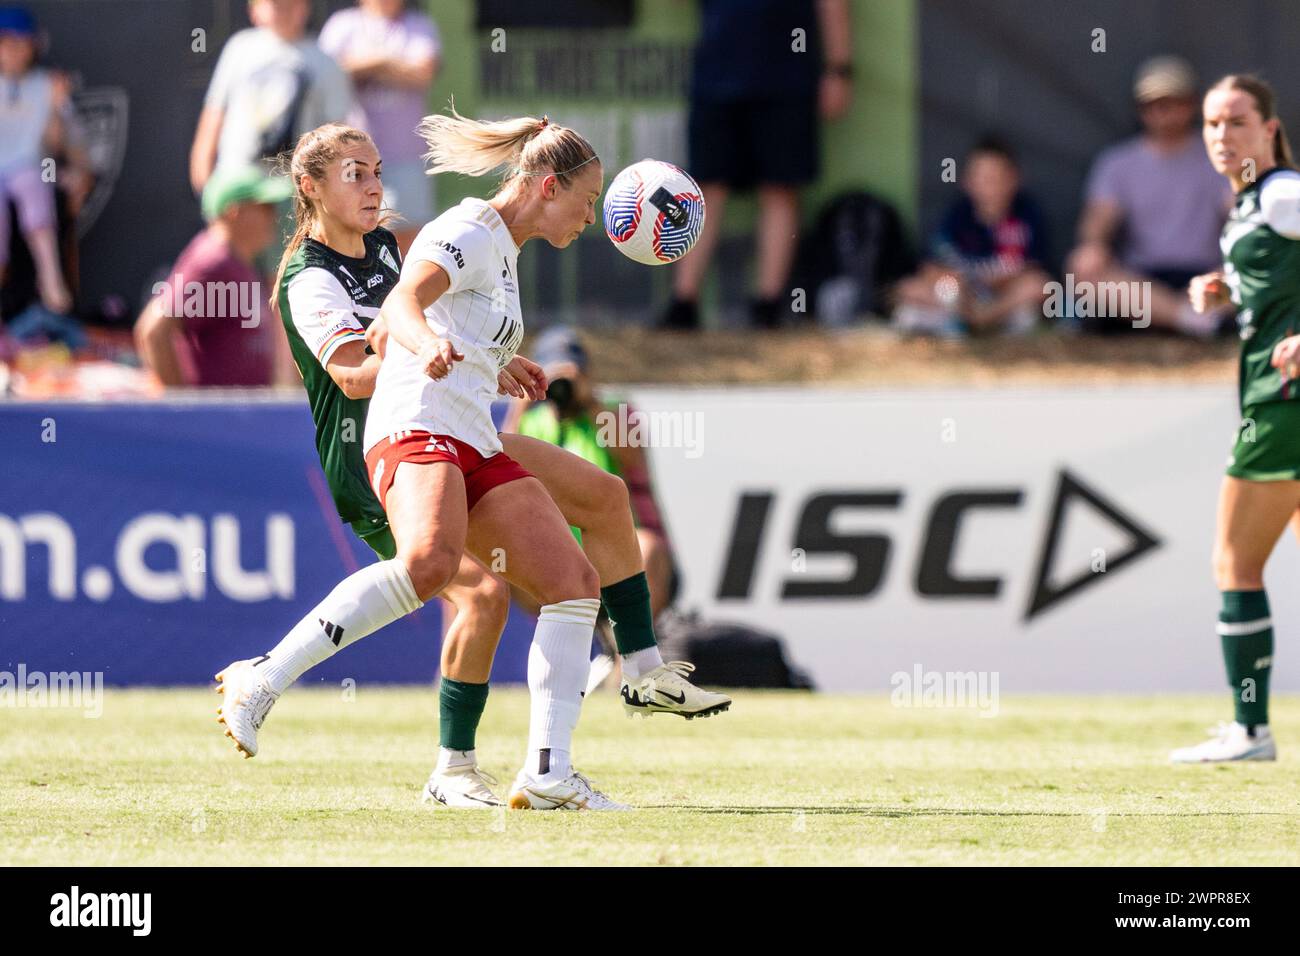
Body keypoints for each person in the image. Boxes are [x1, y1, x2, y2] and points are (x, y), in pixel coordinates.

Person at [214, 121, 728, 811]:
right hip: (407, 428)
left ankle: (571, 747)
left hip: (463, 430)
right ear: (549, 187)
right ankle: (268, 679)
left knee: (577, 567)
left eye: (375, 169)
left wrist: (493, 360)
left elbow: (441, 311)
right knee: (447, 576)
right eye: (589, 197)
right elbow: (392, 324)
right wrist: (422, 343)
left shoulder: (466, 248)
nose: (593, 215)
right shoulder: (449, 236)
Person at [1172, 75, 1300, 763]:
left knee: (1234, 561)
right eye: (1213, 124)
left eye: (1239, 121)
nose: (1223, 135)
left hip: (1281, 408)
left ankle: (1250, 730)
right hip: (1277, 403)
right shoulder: (1252, 207)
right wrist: (1226, 290)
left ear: (1270, 128)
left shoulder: (1283, 194)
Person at [662, 0, 852, 330]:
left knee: (780, 189)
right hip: (717, 77)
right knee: (704, 189)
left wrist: (839, 69)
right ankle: (683, 305)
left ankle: (768, 306)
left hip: (787, 81)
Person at [505, 327, 678, 620]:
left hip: (617, 551)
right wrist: (520, 406)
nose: (562, 388)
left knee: (647, 548)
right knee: (505, 561)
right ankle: (562, 646)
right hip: (558, 555)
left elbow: (631, 455)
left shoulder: (613, 413)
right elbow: (500, 463)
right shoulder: (531, 423)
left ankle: (628, 657)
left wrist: (590, 402)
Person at [1066, 56, 1233, 335]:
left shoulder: (1220, 157)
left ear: (1192, 104)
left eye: (1172, 102)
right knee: (1082, 267)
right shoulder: (1117, 163)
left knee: (1264, 262)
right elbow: (1098, 222)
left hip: (1206, 275)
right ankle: (1190, 319)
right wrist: (1093, 244)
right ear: (1139, 109)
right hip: (1140, 280)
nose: (1162, 112)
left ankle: (1196, 315)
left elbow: (1241, 214)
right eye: (1153, 104)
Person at [134, 165, 288, 386]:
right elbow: (153, 330)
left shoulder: (238, 261)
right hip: (216, 418)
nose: (273, 216)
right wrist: (184, 407)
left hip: (239, 416)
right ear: (235, 211)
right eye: (264, 207)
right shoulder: (212, 261)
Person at [190, 0, 359, 194]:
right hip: (237, 177)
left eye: (291, 4)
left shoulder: (327, 64)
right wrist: (204, 177)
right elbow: (214, 113)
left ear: (306, 8)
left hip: (296, 186)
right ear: (254, 10)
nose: (284, 10)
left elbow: (337, 134)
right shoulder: (239, 49)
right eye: (275, 4)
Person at [892, 137, 1050, 336]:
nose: (988, 186)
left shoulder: (1027, 215)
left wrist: (1003, 280)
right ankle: (961, 322)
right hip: (961, 299)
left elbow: (1035, 271)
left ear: (1013, 179)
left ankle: (981, 321)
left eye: (995, 178)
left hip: (1001, 302)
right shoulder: (956, 215)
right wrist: (952, 279)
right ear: (967, 182)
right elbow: (928, 267)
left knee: (1039, 287)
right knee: (912, 289)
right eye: (981, 178)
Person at [319, 0, 439, 254]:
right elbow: (327, 74)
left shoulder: (419, 25)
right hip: (351, 162)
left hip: (406, 158)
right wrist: (389, 64)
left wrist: (369, 66)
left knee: (409, 245)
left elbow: (423, 74)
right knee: (352, 237)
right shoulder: (342, 25)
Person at [0, 5, 75, 316]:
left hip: (33, 168)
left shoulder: (48, 84)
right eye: (6, 43)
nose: (14, 51)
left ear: (33, 47)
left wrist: (58, 106)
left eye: (21, 43)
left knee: (35, 180)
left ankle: (51, 279)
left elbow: (58, 146)